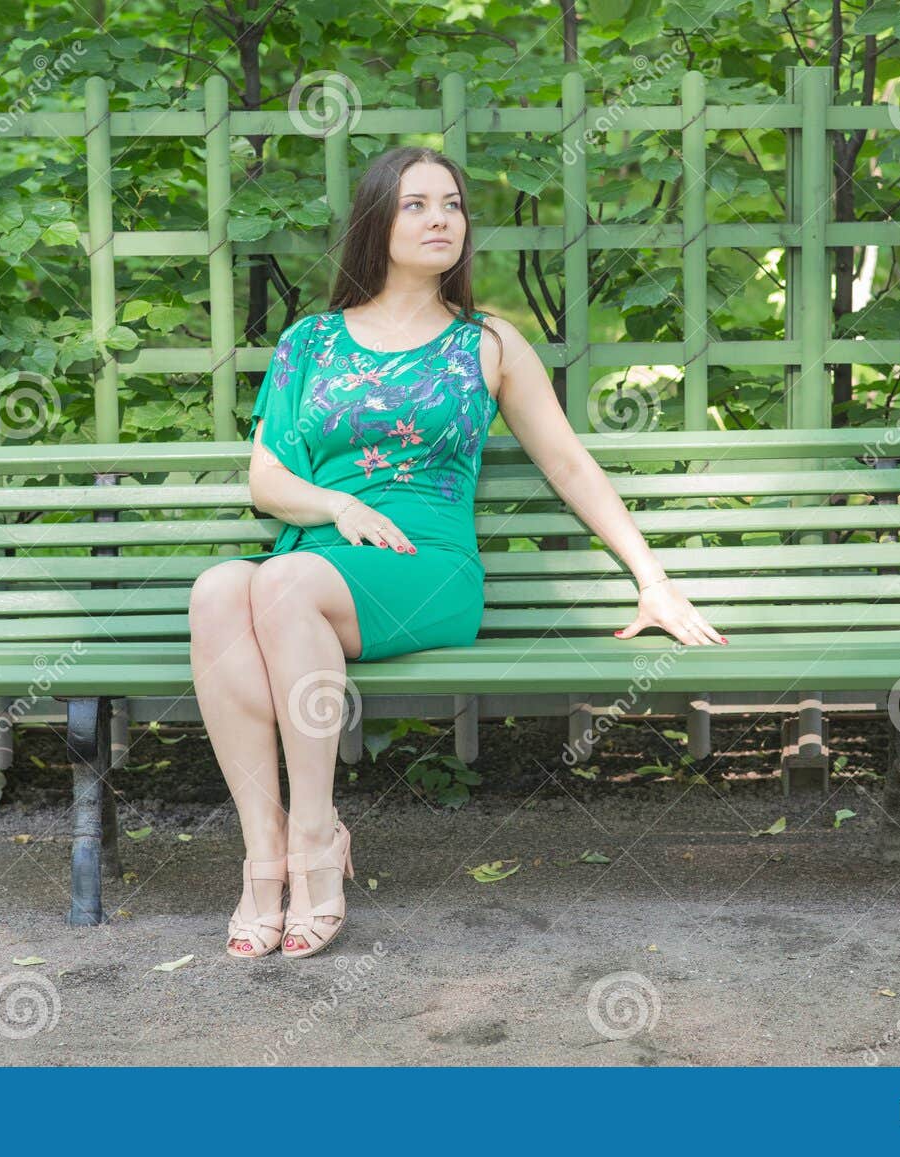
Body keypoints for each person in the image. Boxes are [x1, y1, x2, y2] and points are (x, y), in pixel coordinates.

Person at [188, 145, 727, 960]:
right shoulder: (310, 342)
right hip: (320, 554)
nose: (441, 219)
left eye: (452, 204)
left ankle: (314, 840)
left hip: (428, 566)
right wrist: (337, 504)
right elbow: (266, 478)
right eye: (416, 205)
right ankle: (263, 857)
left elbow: (568, 463)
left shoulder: (486, 341)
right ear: (377, 220)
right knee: (218, 590)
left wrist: (652, 579)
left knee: (284, 582)